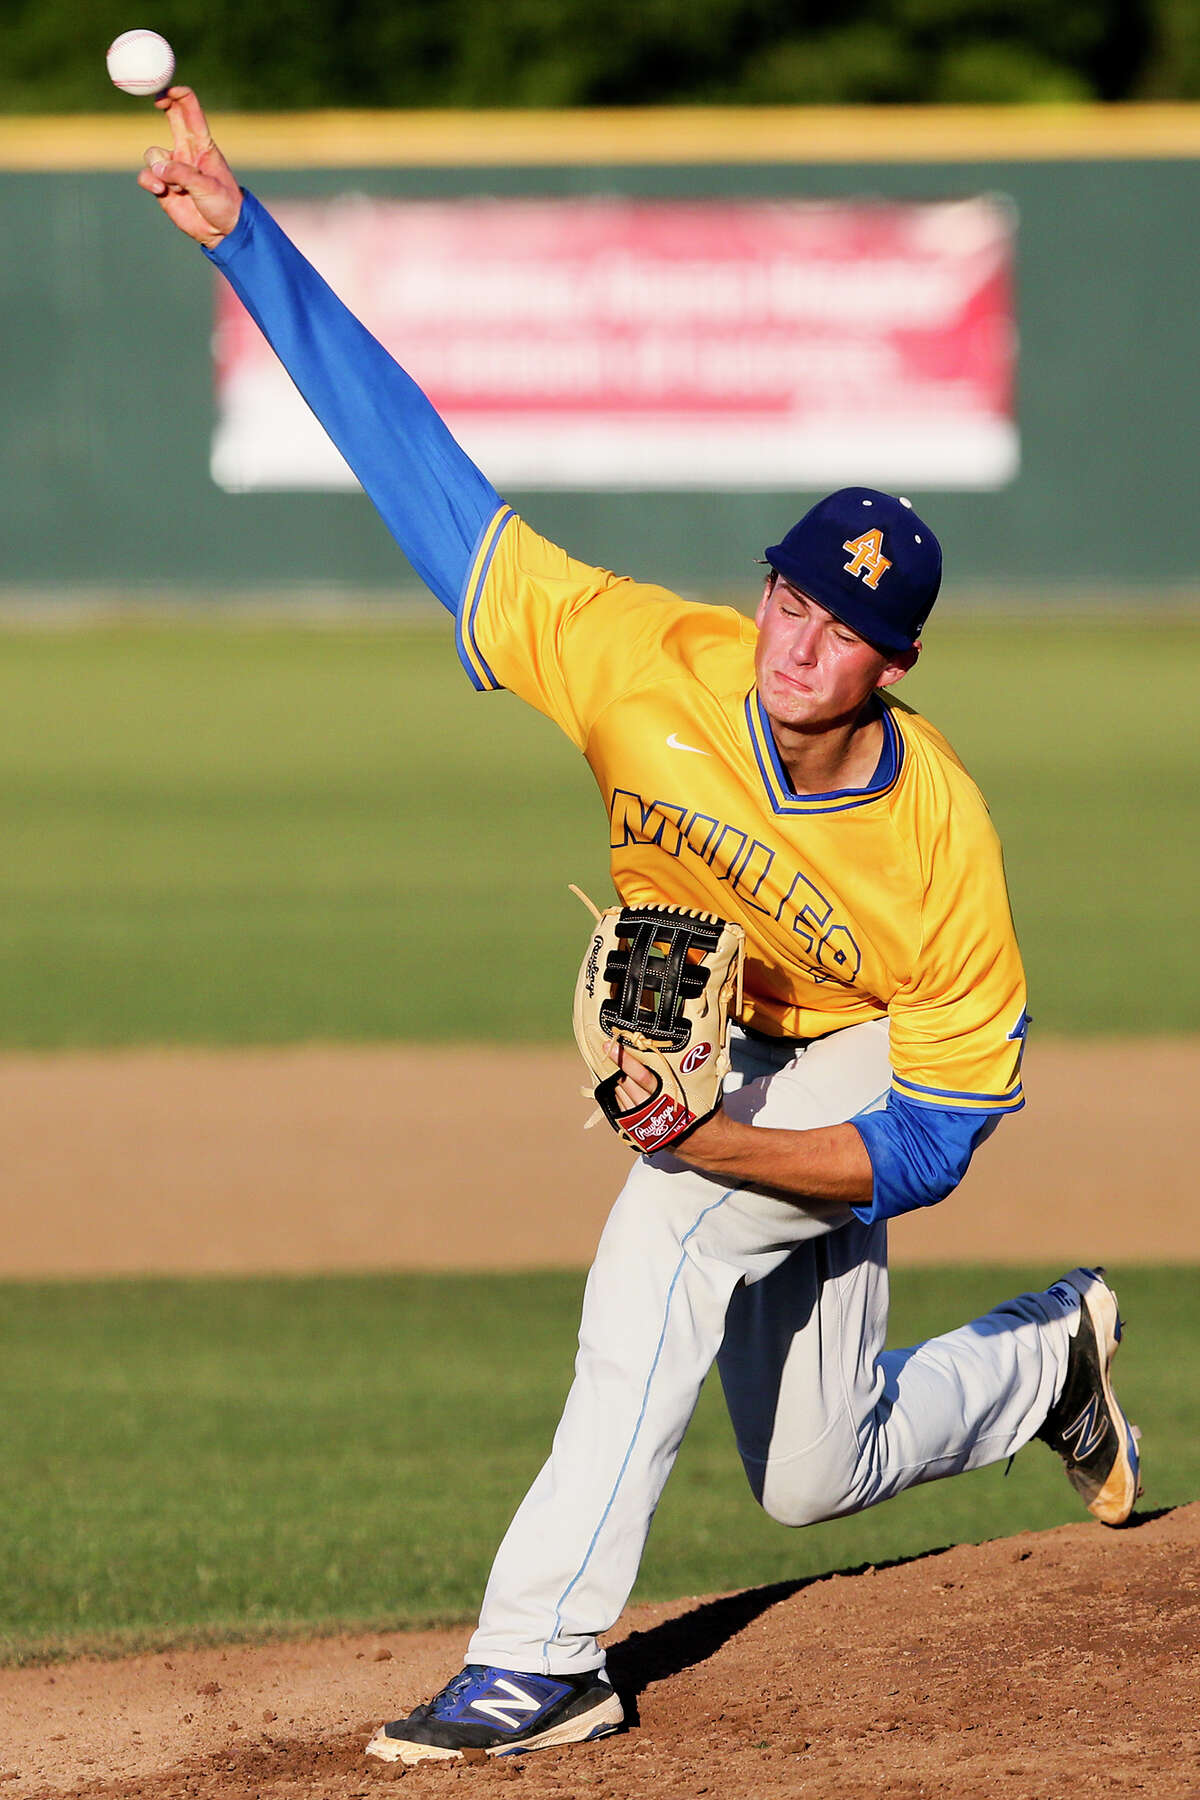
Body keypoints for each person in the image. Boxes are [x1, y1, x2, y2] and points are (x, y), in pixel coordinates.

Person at [139, 89, 1141, 1766]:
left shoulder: (942, 839)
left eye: (845, 626)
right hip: (741, 1048)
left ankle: (543, 1661)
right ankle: (1050, 1367)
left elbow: (938, 1136)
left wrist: (720, 1149)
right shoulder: (641, 659)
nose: (798, 638)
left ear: (895, 664)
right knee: (817, 1469)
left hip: (863, 1070)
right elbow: (429, 486)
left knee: (662, 1243)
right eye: (792, 594)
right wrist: (250, 241)